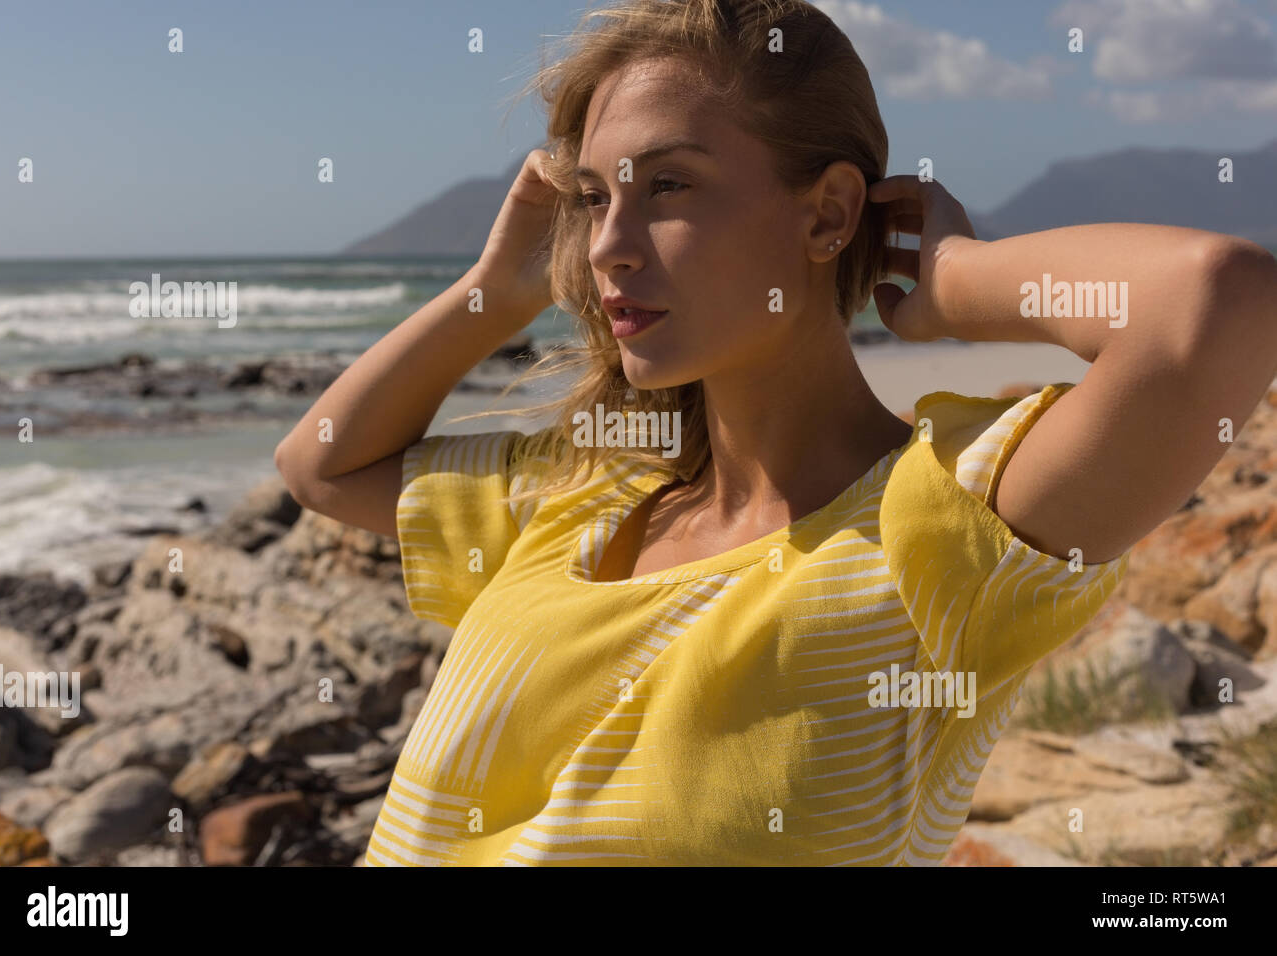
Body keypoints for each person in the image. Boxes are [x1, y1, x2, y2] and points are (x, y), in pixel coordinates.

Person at [273, 0, 1277, 866]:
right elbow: (320, 462)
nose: (610, 245)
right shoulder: (581, 491)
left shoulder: (944, 519)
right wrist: (495, 291)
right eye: (593, 199)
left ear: (828, 212)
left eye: (666, 186)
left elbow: (1219, 303)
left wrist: (953, 281)